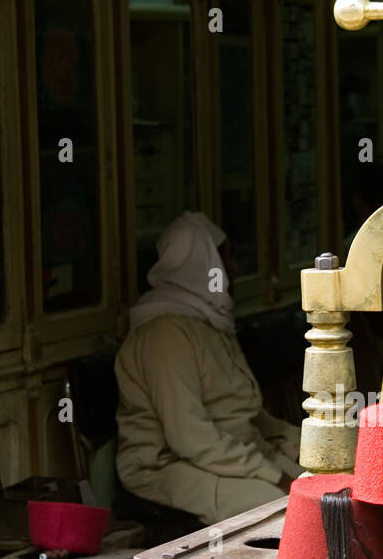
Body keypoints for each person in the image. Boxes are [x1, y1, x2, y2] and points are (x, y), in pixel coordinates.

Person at [115, 211, 302, 526]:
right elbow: (190, 438)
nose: (234, 269)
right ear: (204, 263)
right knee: (293, 515)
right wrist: (273, 474)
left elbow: (246, 416)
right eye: (226, 257)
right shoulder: (165, 334)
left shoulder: (208, 323)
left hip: (237, 456)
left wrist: (306, 445)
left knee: (332, 492)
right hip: (170, 467)